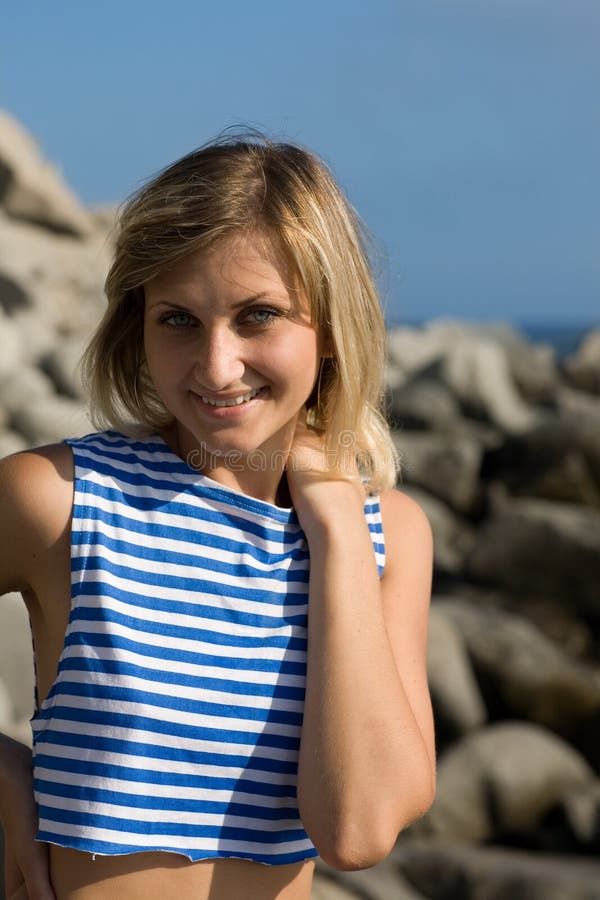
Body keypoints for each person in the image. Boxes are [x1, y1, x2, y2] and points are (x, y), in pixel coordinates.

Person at [0, 134, 435, 900]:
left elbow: (358, 830)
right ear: (138, 324)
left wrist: (333, 525)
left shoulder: (386, 535)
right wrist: (2, 769)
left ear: (331, 329)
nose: (216, 364)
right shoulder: (61, 500)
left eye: (258, 316)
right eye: (178, 320)